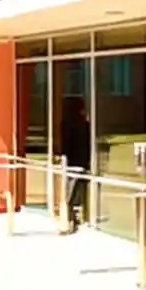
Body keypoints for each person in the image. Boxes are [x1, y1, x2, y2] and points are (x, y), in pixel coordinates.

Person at [60, 96, 91, 232]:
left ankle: (70, 220)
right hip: (82, 162)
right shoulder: (84, 124)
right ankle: (79, 216)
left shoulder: (66, 124)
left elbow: (65, 147)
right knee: (78, 191)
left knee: (70, 192)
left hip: (71, 163)